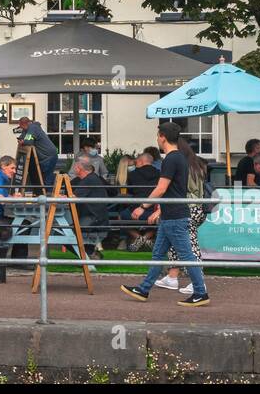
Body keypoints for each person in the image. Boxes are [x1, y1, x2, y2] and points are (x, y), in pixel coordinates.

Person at [120, 122, 210, 307]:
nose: (157, 139)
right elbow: (173, 189)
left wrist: (143, 206)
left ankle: (200, 292)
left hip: (175, 216)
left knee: (186, 255)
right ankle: (144, 288)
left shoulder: (171, 159)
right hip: (171, 215)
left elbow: (161, 188)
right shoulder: (179, 158)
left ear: (162, 137)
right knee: (158, 254)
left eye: (158, 135)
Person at [156, 136, 211, 296]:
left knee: (189, 246)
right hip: (196, 208)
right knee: (179, 242)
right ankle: (172, 276)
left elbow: (177, 190)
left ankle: (197, 282)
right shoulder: (197, 165)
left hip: (186, 208)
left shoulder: (182, 165)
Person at [71, 154, 110, 253]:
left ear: (79, 168)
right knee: (65, 230)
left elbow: (73, 198)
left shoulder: (88, 180)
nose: (74, 168)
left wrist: (58, 197)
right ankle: (89, 254)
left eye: (75, 166)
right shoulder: (92, 178)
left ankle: (88, 255)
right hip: (97, 220)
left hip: (92, 222)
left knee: (62, 232)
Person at [16, 116, 59, 186]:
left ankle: (50, 194)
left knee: (46, 178)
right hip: (44, 156)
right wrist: (22, 139)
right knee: (43, 177)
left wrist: (23, 142)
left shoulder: (33, 128)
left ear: (24, 124)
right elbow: (22, 137)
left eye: (21, 126)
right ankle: (45, 193)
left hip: (49, 156)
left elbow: (28, 141)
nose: (21, 128)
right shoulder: (27, 129)